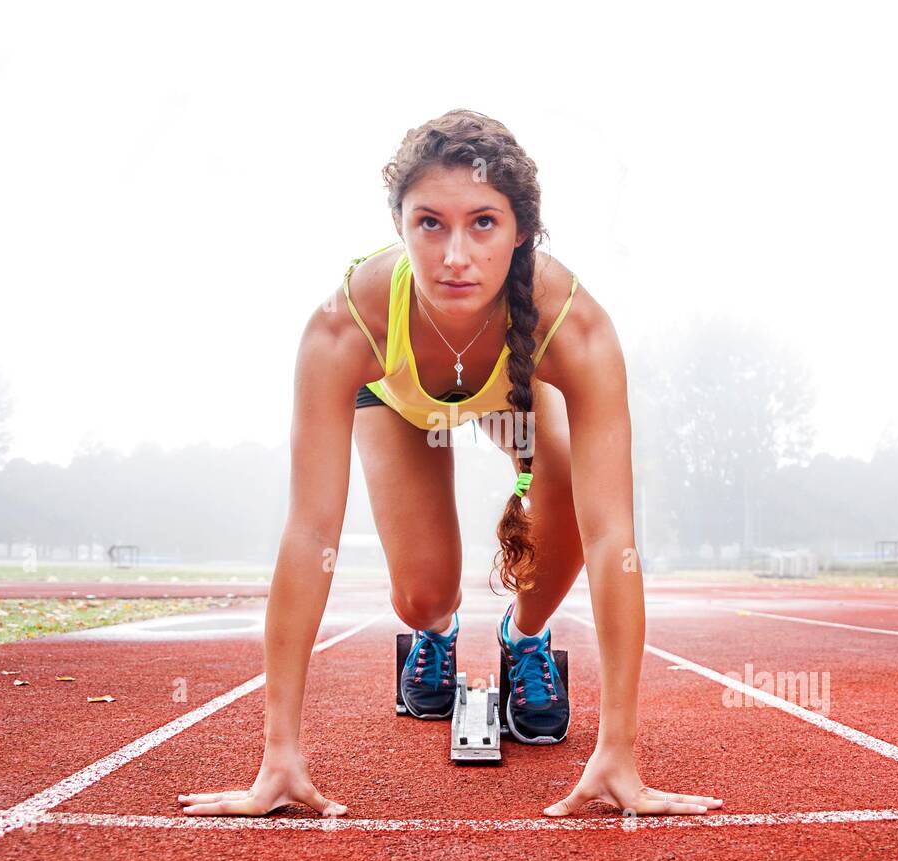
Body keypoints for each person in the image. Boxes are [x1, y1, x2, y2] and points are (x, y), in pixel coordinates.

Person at [178, 109, 723, 818]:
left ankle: (523, 637)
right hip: (400, 405)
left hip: (515, 390)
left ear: (520, 229)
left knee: (561, 476)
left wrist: (619, 748)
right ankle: (433, 634)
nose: (455, 257)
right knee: (423, 593)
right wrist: (278, 753)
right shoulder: (346, 326)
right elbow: (311, 533)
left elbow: (611, 536)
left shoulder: (573, 324)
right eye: (430, 223)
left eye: (483, 224)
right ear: (399, 224)